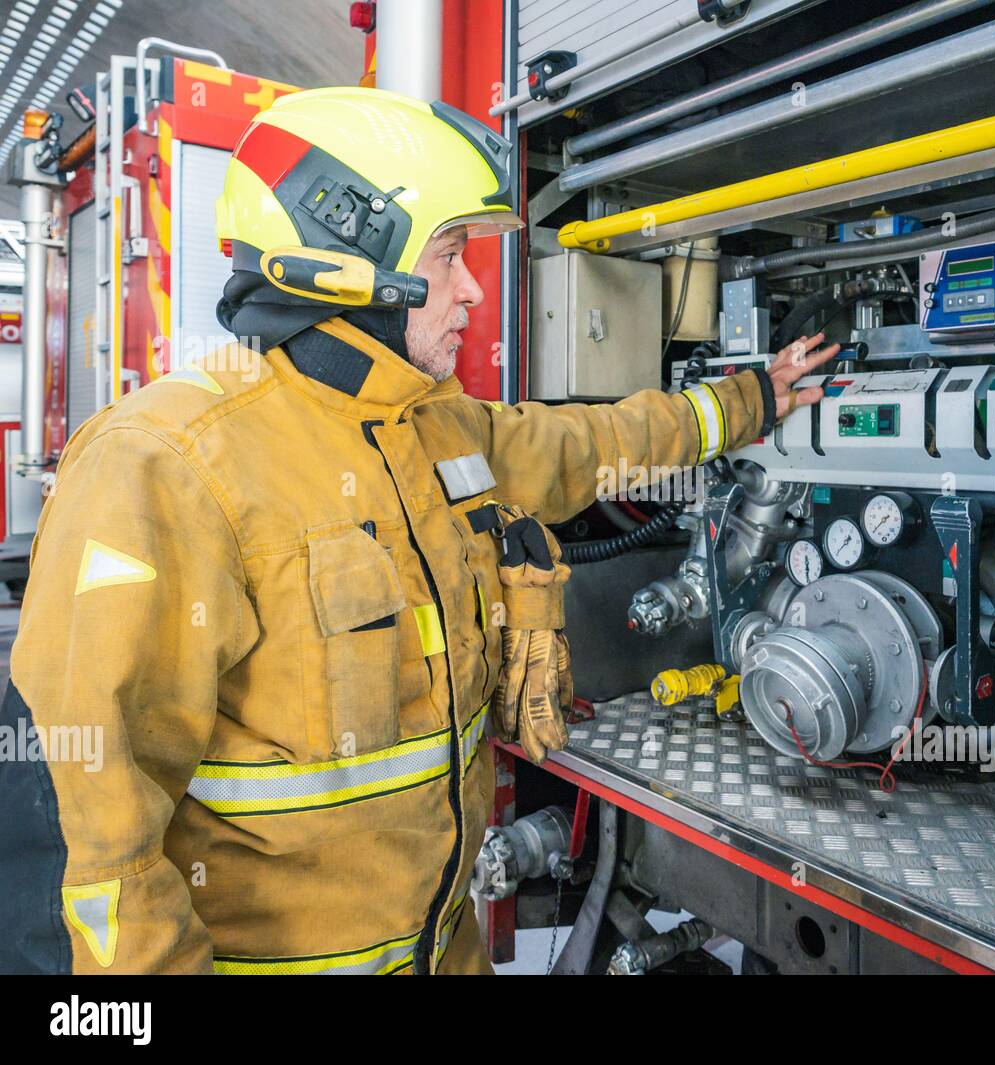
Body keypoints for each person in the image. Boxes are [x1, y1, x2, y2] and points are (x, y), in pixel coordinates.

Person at [0, 87, 839, 975]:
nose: (473, 288)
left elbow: (587, 447)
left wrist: (751, 400)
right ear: (353, 263)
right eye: (449, 256)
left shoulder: (436, 426)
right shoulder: (164, 464)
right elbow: (90, 847)